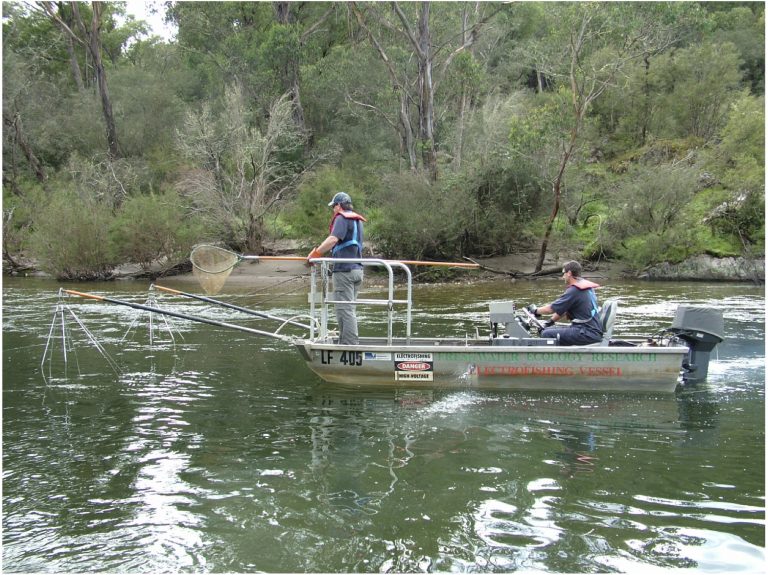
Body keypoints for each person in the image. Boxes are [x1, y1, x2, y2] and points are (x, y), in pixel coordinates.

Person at [307, 192, 366, 345]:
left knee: (344, 309)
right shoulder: (357, 221)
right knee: (347, 308)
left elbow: (333, 239)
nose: (333, 209)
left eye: (333, 206)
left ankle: (350, 345)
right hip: (357, 270)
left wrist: (316, 253)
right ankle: (345, 340)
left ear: (338, 206)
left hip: (344, 271)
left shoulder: (341, 218)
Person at [527, 260, 602, 346]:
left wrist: (535, 310)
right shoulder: (585, 287)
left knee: (546, 334)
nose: (563, 277)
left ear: (569, 273)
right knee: (548, 330)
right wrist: (550, 322)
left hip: (586, 332)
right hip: (590, 330)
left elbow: (550, 309)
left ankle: (553, 359)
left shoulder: (575, 290)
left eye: (563, 273)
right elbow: (563, 310)